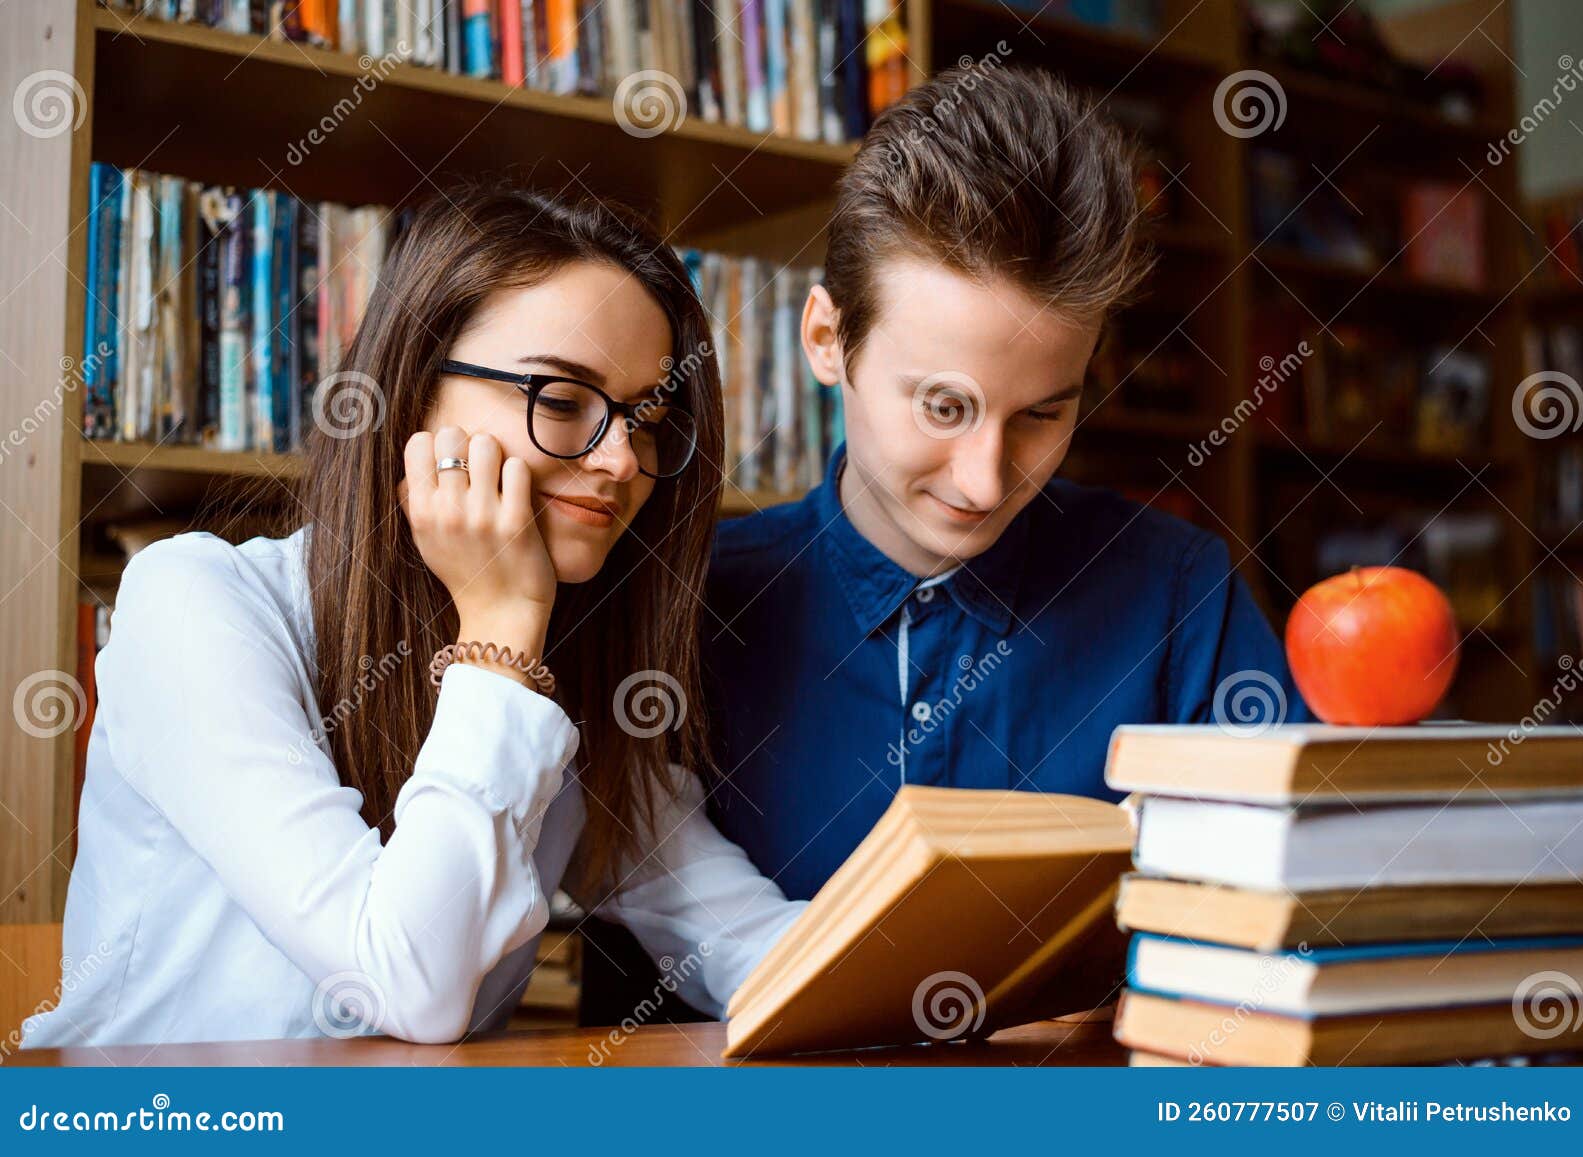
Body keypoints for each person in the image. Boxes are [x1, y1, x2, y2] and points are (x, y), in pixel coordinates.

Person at [23, 181, 804, 1049]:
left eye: (649, 416)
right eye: (560, 399)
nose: (622, 457)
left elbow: (752, 944)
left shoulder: (576, 669)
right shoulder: (195, 602)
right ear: (411, 397)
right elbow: (401, 985)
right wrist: (500, 629)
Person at [703, 65, 1310, 901]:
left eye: (1042, 415)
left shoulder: (1180, 595)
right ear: (826, 338)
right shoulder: (692, 605)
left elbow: (1295, 908)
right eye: (945, 406)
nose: (986, 482)